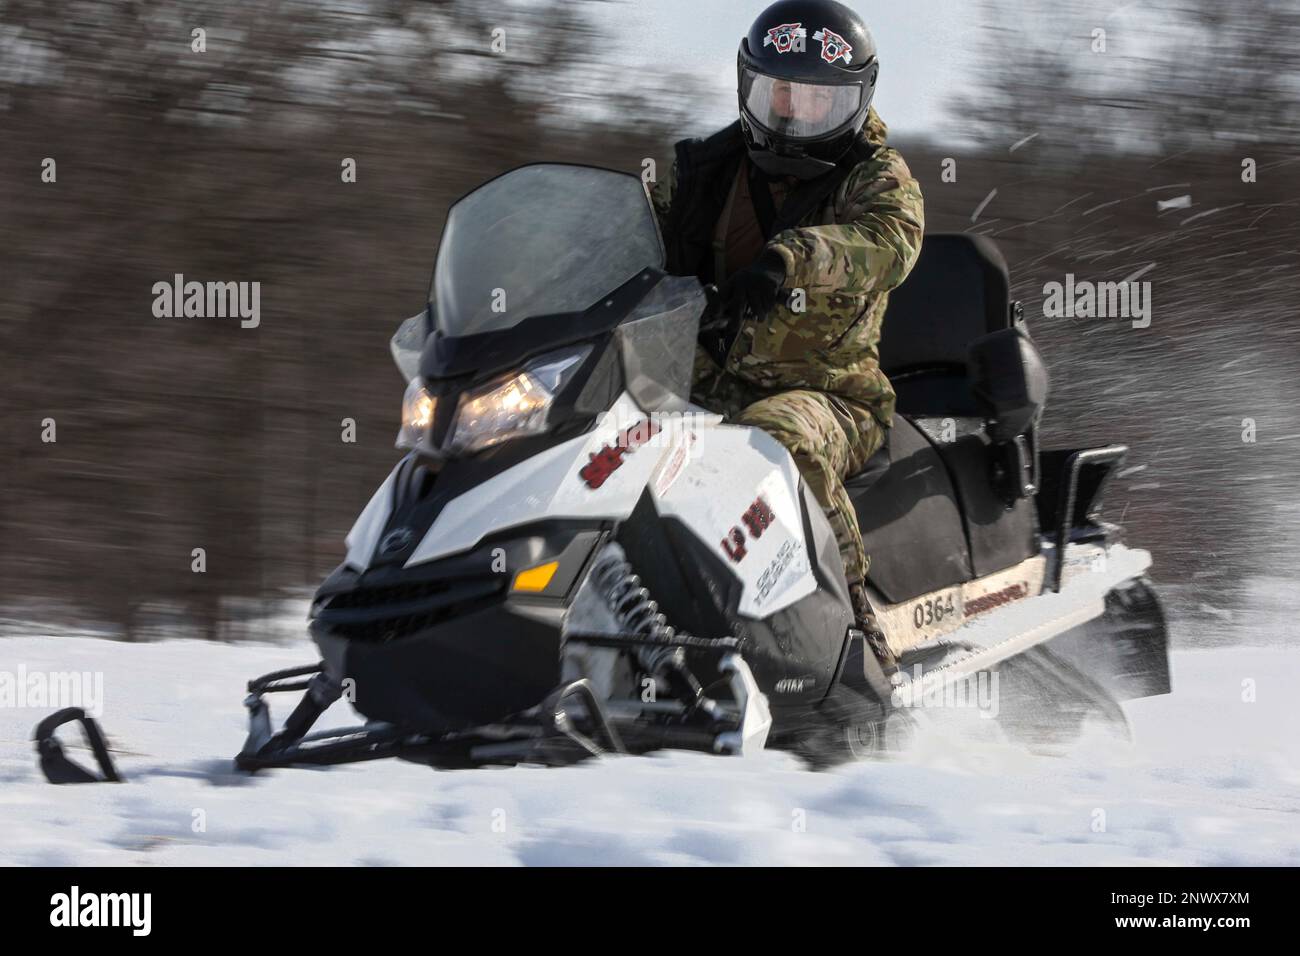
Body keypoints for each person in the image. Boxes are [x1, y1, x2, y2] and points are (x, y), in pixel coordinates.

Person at [650, 0, 924, 669]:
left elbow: (888, 244)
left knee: (774, 443)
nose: (795, 114)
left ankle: (854, 630)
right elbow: (639, 240)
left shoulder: (878, 177)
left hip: (831, 396)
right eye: (781, 94)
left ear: (857, 102)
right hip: (703, 382)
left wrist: (791, 258)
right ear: (751, 88)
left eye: (819, 101)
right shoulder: (710, 172)